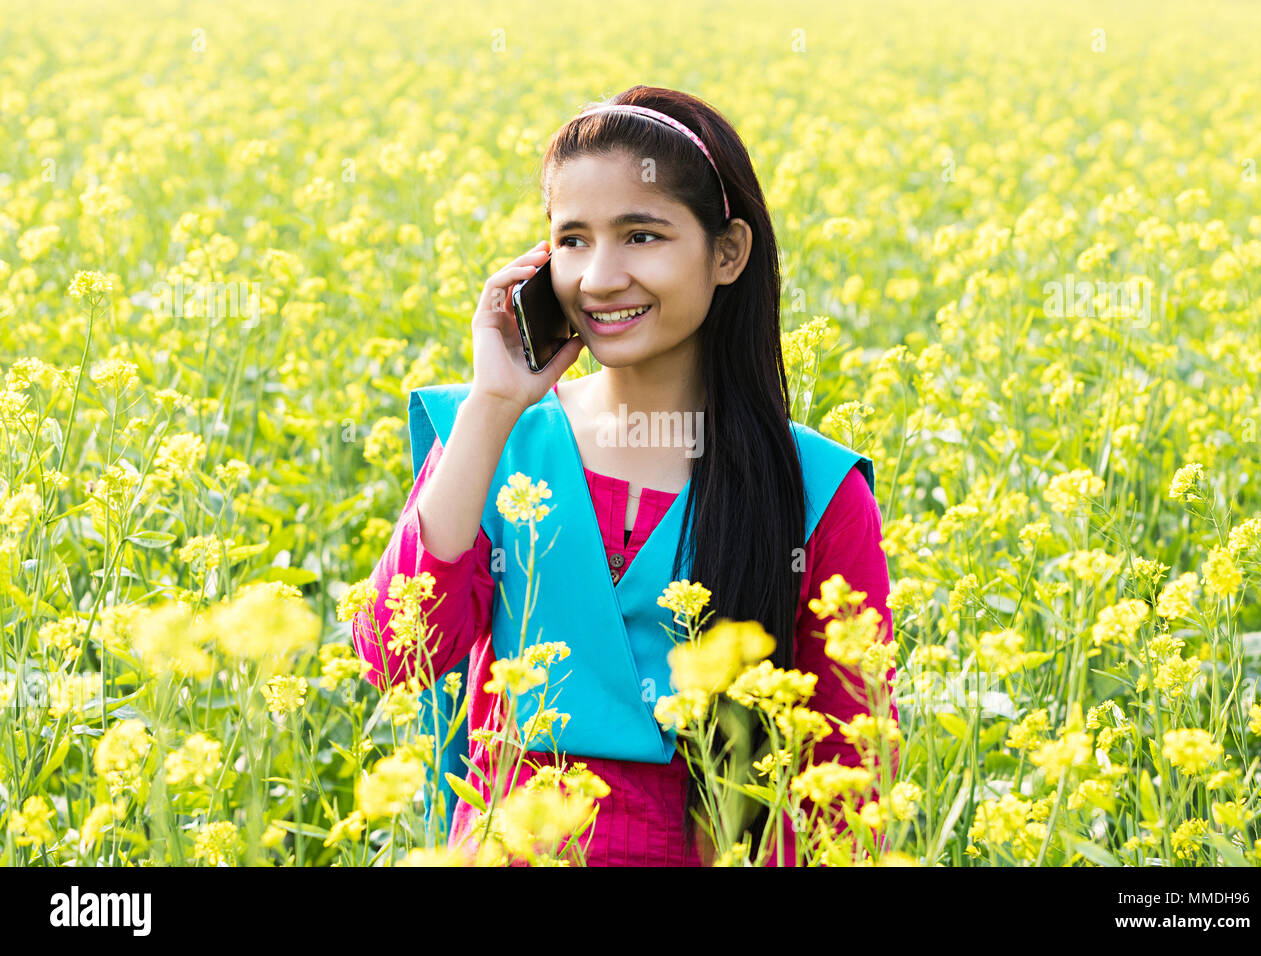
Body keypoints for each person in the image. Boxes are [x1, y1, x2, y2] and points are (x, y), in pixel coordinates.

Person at [353, 85, 898, 866]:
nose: (601, 278)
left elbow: (848, 778)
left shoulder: (814, 489)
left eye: (641, 236)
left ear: (728, 252)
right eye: (572, 240)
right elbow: (392, 654)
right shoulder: (498, 439)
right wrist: (492, 403)